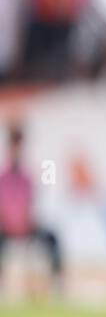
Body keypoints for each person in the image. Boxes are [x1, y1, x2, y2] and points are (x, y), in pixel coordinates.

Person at [0, 123, 63, 294]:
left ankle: (58, 284)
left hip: (27, 228)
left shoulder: (28, 176)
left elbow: (32, 206)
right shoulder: (3, 177)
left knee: (52, 238)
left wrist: (28, 222)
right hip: (7, 229)